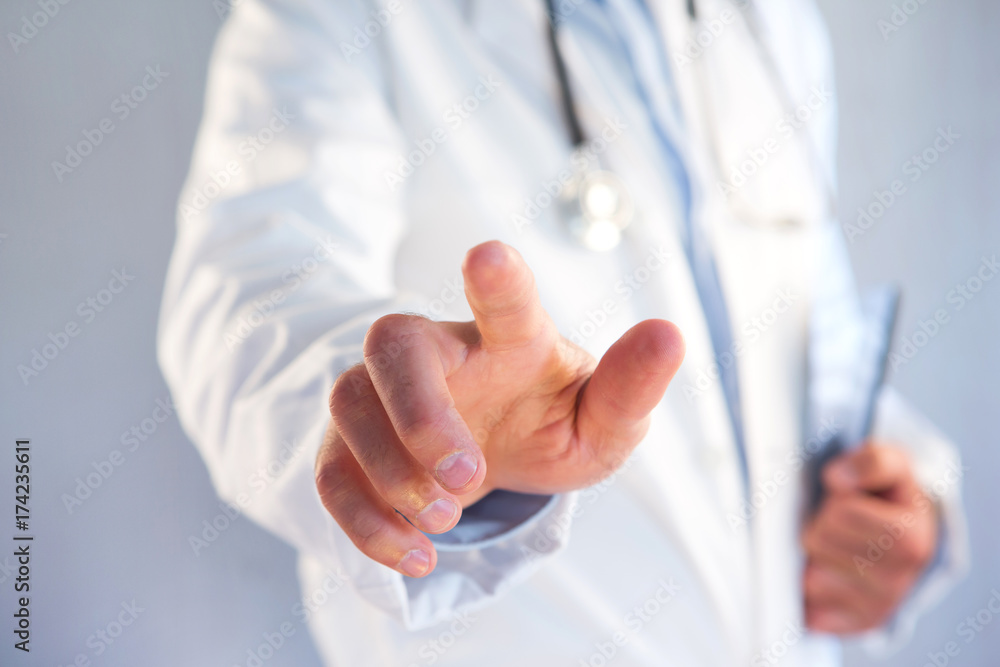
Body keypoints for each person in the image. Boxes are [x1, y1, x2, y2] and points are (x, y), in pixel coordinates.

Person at [158, 0, 968, 664]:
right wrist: (404, 434)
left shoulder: (769, 25)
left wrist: (901, 504)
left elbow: (790, 339)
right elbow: (249, 297)